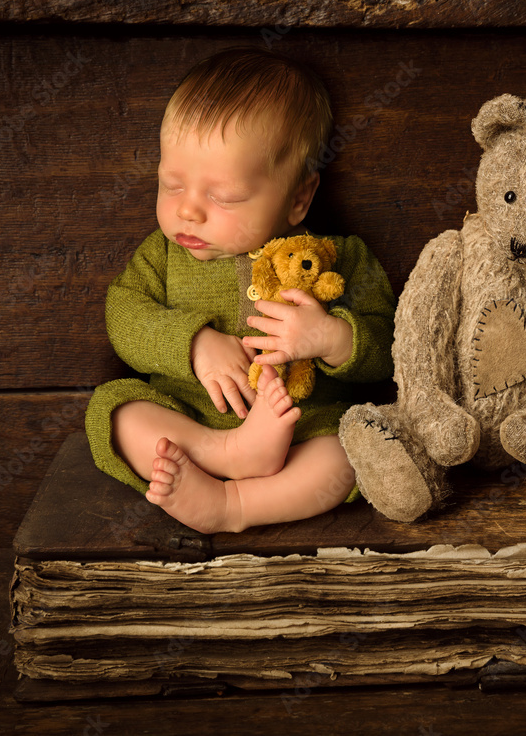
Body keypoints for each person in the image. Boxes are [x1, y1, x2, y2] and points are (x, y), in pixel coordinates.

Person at [85, 47, 395, 534]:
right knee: (116, 413)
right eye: (171, 185)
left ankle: (235, 505)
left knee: (350, 451)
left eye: (223, 196)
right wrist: (192, 344)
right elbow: (123, 314)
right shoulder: (161, 256)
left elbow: (389, 348)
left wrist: (332, 337)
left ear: (298, 197)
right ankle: (224, 454)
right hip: (185, 421)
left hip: (301, 429)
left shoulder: (340, 257)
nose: (189, 211)